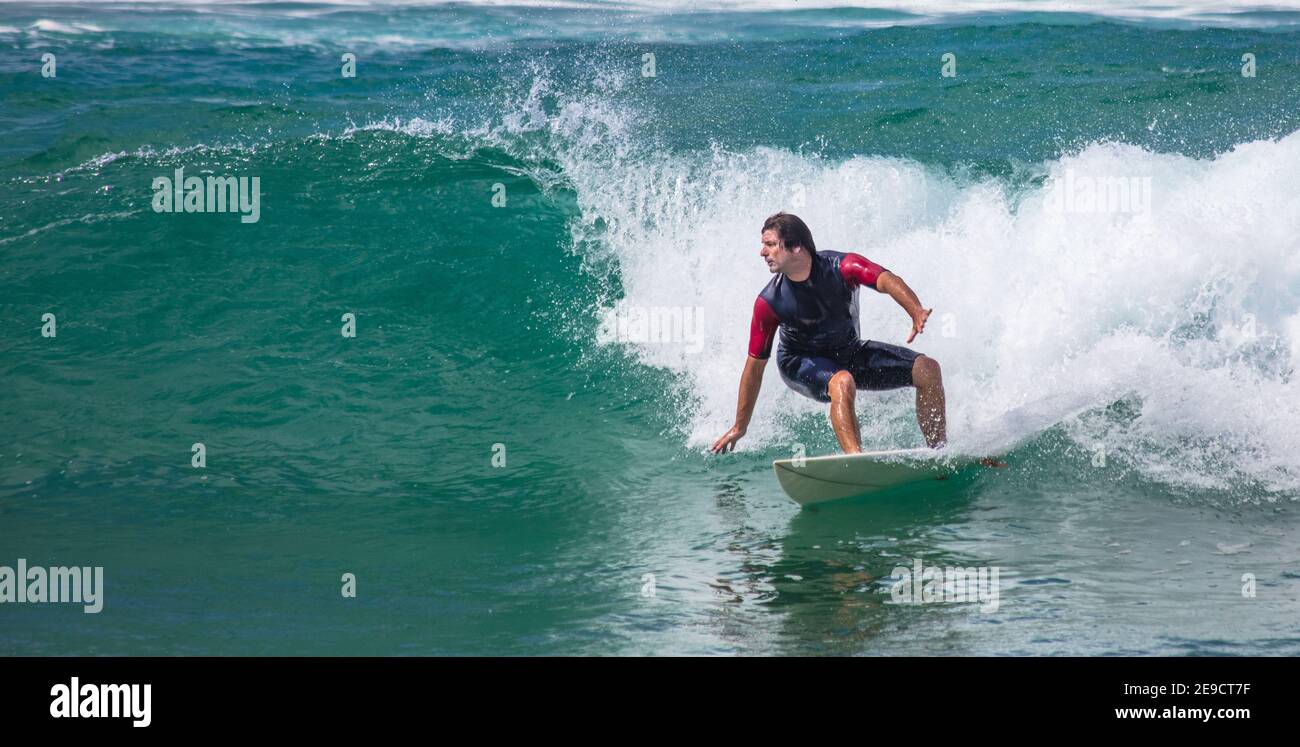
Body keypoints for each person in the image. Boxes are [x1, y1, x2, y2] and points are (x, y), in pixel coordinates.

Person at [711, 212, 945, 455]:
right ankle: (856, 461)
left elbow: (885, 280)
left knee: (927, 369)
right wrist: (740, 425)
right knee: (842, 382)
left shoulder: (844, 267)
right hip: (799, 362)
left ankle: (938, 453)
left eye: (770, 245)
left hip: (850, 352)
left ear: (796, 247)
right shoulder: (770, 302)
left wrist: (915, 310)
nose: (762, 252)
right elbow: (754, 366)